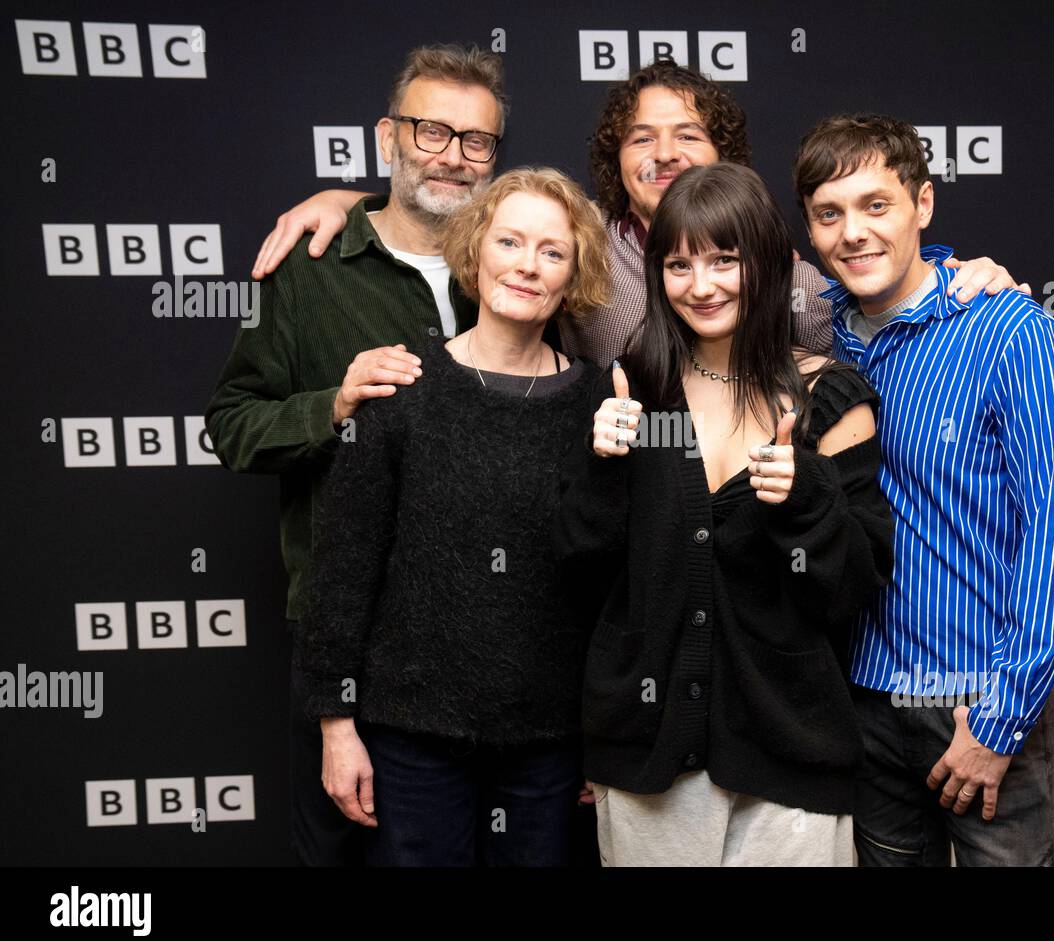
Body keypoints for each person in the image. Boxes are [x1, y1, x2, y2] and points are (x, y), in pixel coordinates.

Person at [203, 43, 508, 866]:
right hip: (352, 637)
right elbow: (231, 425)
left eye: (476, 140)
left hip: (492, 632)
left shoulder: (515, 268)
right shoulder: (306, 271)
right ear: (386, 136)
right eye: (430, 130)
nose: (452, 156)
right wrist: (331, 405)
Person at [553, 162, 894, 866]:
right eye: (678, 265)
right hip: (647, 751)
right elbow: (581, 569)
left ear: (766, 262)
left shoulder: (831, 398)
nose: (701, 286)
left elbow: (852, 592)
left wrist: (805, 498)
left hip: (792, 752)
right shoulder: (634, 391)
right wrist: (600, 466)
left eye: (724, 261)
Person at [253, 61, 1026, 369]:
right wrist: (352, 201)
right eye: (641, 138)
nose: (663, 154)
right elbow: (476, 221)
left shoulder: (784, 265)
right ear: (616, 158)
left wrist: (958, 274)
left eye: (687, 135)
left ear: (722, 154)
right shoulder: (579, 240)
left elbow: (875, 299)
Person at [792, 113, 1054, 866]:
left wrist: (1001, 720)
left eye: (876, 205)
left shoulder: (1011, 331)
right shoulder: (825, 332)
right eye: (829, 214)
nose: (853, 233)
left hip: (980, 703)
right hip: (866, 702)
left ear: (922, 204)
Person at [297, 167, 611, 866]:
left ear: (574, 276)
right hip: (411, 739)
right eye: (509, 241)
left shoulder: (597, 406)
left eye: (552, 252)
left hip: (550, 744)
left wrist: (605, 731)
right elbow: (344, 567)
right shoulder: (400, 387)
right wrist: (335, 724)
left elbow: (609, 588)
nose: (526, 265)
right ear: (475, 251)